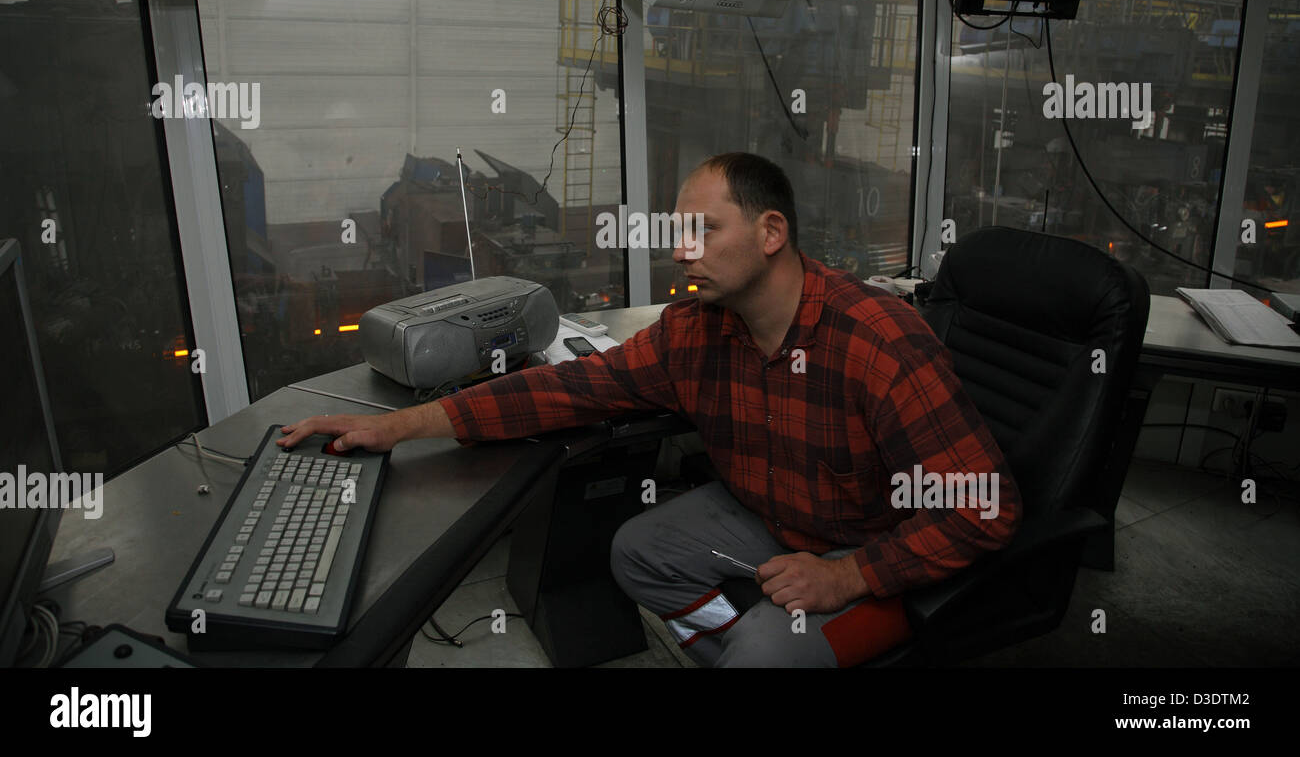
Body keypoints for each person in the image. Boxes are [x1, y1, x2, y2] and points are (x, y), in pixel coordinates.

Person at [278, 152, 1022, 667]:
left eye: (704, 233)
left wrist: (850, 578)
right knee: (639, 552)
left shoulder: (879, 342)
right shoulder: (695, 334)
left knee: (769, 648)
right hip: (777, 519)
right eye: (677, 235)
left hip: (868, 546)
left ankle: (761, 652)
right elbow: (562, 390)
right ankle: (740, 651)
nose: (681, 252)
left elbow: (984, 510)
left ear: (771, 234)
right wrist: (396, 427)